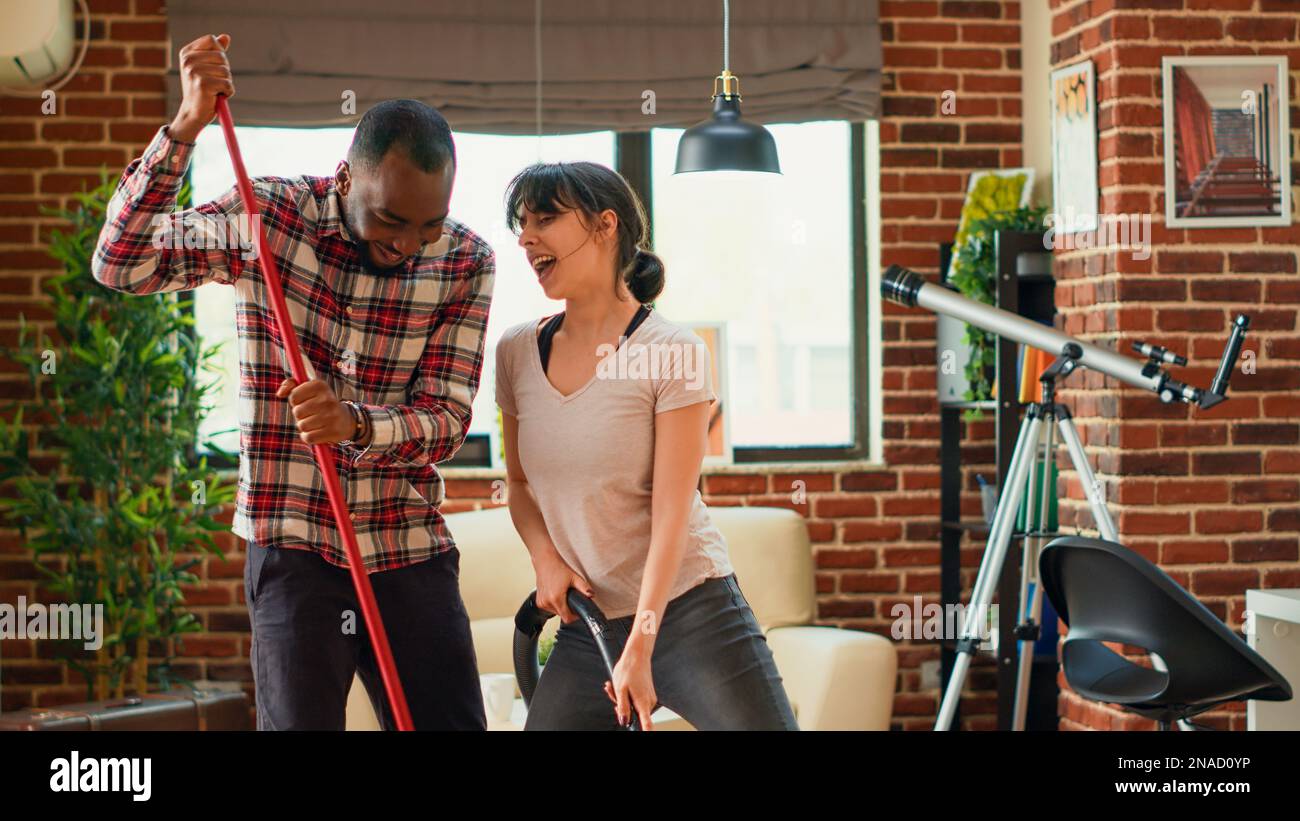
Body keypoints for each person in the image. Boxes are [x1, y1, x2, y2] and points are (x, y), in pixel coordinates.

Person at [91, 33, 493, 730]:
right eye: (390, 220)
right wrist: (185, 125)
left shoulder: (463, 261)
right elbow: (122, 262)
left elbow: (448, 419)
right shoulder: (268, 217)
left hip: (407, 546)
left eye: (426, 226)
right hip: (295, 544)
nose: (406, 243)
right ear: (345, 178)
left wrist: (355, 424)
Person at [495, 161, 798, 730]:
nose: (526, 236)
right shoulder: (515, 351)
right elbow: (518, 485)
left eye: (546, 218)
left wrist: (643, 640)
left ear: (606, 225)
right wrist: (545, 559)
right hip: (591, 623)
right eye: (523, 223)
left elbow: (672, 513)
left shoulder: (673, 351)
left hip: (692, 611)